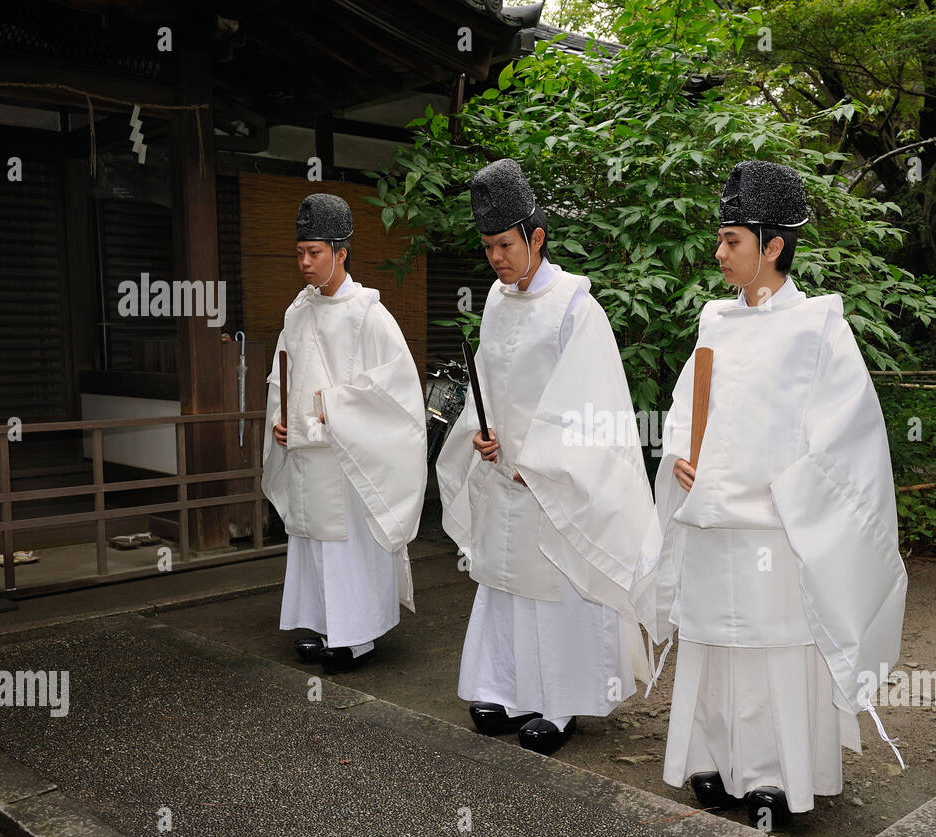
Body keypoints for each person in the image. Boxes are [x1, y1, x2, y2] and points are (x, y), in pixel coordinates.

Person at [654, 160, 908, 829]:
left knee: (771, 654)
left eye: (731, 240)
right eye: (720, 239)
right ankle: (713, 758)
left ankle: (774, 776)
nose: (719, 254)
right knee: (713, 645)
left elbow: (847, 438)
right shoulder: (715, 321)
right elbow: (687, 406)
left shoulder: (818, 329)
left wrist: (781, 482)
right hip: (712, 522)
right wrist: (680, 454)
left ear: (772, 245)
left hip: (776, 528)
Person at [436, 159, 660, 755]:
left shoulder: (573, 306)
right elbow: (486, 376)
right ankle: (503, 688)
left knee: (553, 581)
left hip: (551, 478)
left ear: (535, 237)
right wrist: (478, 434)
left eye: (505, 245)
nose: (496, 259)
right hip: (501, 470)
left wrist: (541, 462)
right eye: (487, 248)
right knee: (504, 579)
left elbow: (589, 399)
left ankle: (558, 705)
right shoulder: (495, 299)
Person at [262, 193, 427, 674]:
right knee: (313, 546)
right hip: (307, 457)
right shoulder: (297, 313)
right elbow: (281, 376)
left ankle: (357, 637)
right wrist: (282, 418)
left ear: (341, 253)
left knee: (348, 549)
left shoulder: (369, 315)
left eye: (314, 252)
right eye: (299, 252)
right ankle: (325, 625)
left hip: (349, 458)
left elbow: (394, 394)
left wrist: (330, 413)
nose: (305, 263)